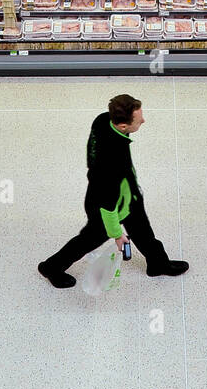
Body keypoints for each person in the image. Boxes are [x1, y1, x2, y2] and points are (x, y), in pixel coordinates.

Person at [38, 94, 189, 288]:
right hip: (106, 206)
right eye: (139, 119)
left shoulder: (104, 119)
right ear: (123, 126)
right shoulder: (111, 162)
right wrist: (117, 235)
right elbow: (108, 206)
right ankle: (51, 267)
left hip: (127, 196)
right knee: (88, 240)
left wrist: (132, 191)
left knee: (143, 232)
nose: (143, 120)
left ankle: (158, 263)